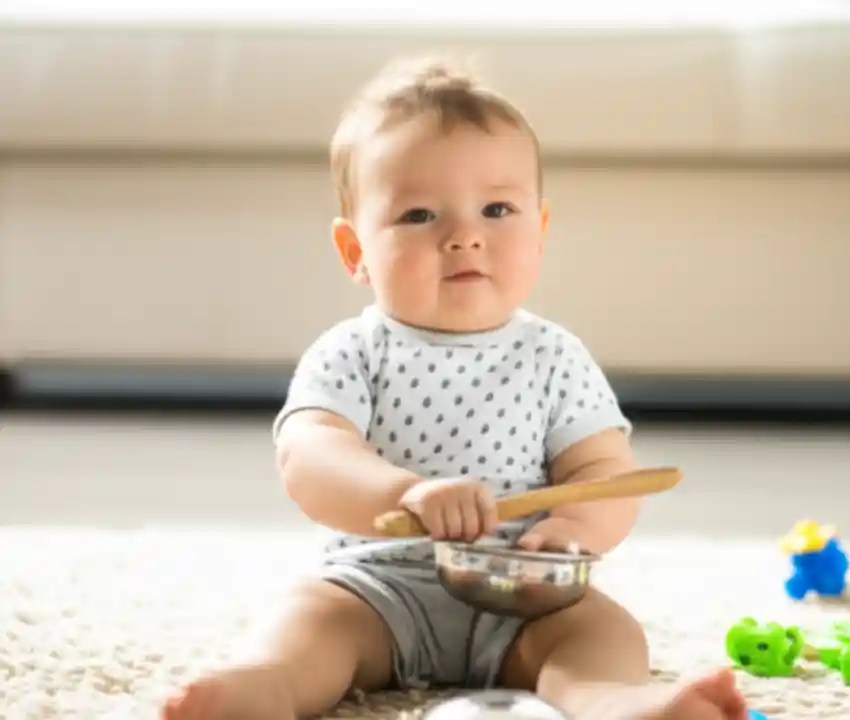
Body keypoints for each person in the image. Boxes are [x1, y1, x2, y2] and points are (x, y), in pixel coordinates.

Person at [160, 56, 748, 720]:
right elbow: (309, 457)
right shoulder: (355, 351)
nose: (465, 236)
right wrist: (405, 492)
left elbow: (605, 473)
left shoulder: (555, 356)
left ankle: (610, 703)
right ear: (355, 252)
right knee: (306, 623)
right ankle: (262, 688)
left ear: (540, 230)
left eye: (497, 209)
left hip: (526, 597)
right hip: (376, 587)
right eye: (418, 215)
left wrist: (572, 530)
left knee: (603, 631)